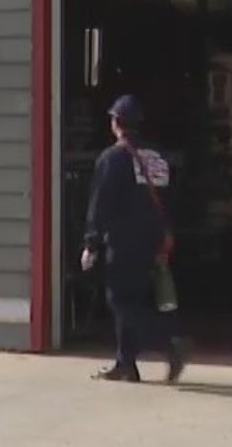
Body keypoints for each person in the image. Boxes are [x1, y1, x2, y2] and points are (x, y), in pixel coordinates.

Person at [81, 95, 188, 384]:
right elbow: (172, 197)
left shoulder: (113, 158)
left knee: (119, 300)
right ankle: (125, 363)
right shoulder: (159, 157)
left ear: (116, 123)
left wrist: (91, 242)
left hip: (124, 241)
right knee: (134, 298)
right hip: (154, 241)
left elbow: (100, 202)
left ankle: (170, 343)